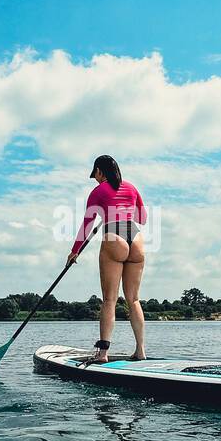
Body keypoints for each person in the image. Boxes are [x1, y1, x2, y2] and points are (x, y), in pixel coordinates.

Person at [67, 155, 147, 363]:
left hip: (114, 236)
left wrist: (74, 251)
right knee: (134, 299)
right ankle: (140, 350)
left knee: (110, 300)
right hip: (136, 238)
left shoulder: (98, 191)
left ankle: (103, 353)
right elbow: (143, 218)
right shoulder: (131, 188)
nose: (95, 179)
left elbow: (87, 224)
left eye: (95, 174)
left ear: (100, 171)